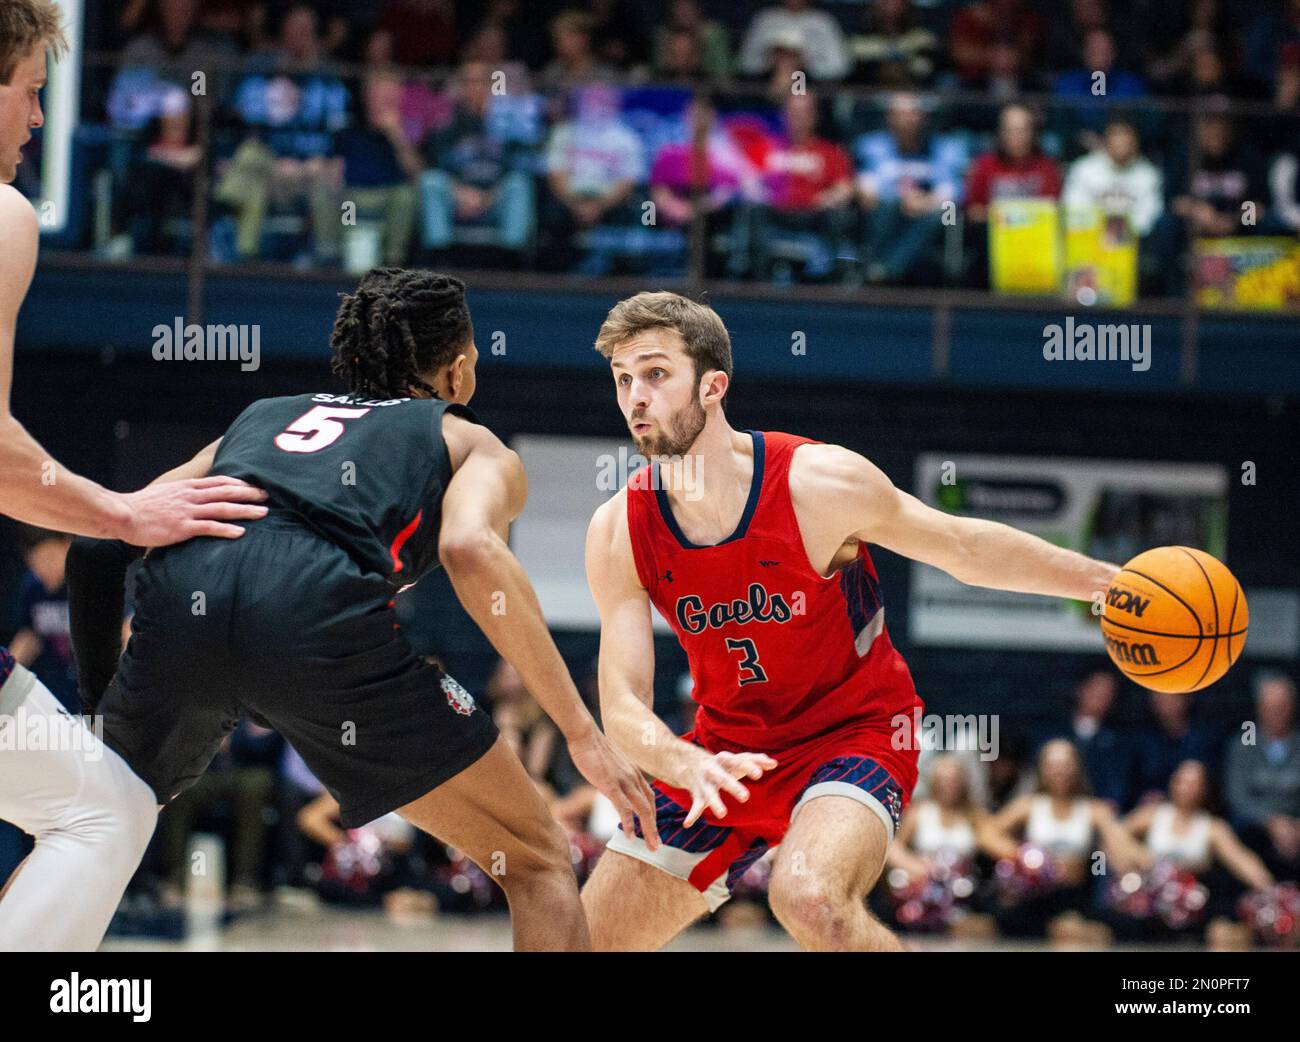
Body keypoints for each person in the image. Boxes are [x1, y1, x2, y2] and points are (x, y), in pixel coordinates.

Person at [65, 269, 654, 953]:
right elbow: (468, 548)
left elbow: (95, 549)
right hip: (315, 619)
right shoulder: (469, 442)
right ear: (458, 369)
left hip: (182, 609)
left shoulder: (258, 419)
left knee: (94, 827)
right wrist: (580, 732)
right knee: (536, 860)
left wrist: (104, 711)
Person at [578, 291, 1121, 951]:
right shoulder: (619, 530)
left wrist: (1102, 583)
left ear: (713, 384)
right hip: (721, 756)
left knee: (808, 899)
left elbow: (965, 549)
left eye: (656, 373)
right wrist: (681, 761)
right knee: (580, 942)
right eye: (623, 379)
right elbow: (622, 704)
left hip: (853, 736)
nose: (635, 395)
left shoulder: (818, 483)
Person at [0, 0, 268, 952]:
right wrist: (125, 512)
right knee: (106, 811)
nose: (38, 121)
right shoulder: (1, 213)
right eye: (30, 92)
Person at [979, 739, 1143, 942]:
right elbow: (987, 834)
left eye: (1065, 764)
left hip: (1073, 898)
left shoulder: (1094, 810)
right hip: (1032, 899)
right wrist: (1023, 855)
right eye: (1053, 765)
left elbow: (1123, 848)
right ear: (1042, 769)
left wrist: (1139, 863)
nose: (1059, 771)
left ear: (1077, 768)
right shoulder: (1029, 805)